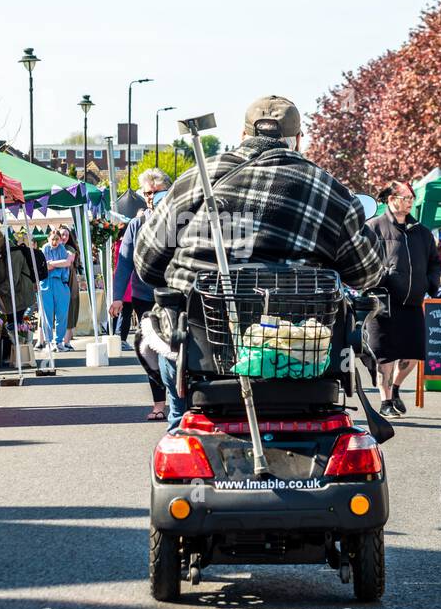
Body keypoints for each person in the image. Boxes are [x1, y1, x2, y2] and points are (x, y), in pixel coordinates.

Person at [135, 94, 383, 430]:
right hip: (304, 358)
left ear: (243, 135)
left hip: (199, 353)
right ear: (297, 140)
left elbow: (147, 264)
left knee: (182, 422)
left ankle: (182, 440)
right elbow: (366, 273)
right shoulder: (332, 193)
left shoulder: (198, 179)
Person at [366, 180, 440, 418]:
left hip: (412, 302)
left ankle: (395, 389)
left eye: (411, 198)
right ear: (390, 198)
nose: (409, 202)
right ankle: (385, 400)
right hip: (383, 302)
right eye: (404, 197)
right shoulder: (373, 228)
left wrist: (430, 284)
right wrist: (381, 278)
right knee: (384, 352)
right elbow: (363, 261)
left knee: (413, 351)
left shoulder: (422, 232)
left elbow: (434, 263)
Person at [111, 168, 173, 420]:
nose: (151, 197)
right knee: (148, 347)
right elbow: (124, 261)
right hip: (143, 296)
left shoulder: (179, 220)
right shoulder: (136, 224)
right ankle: (159, 403)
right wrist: (117, 296)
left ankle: (180, 399)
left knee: (173, 346)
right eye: (147, 193)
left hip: (173, 294)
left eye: (156, 192)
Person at [0, 228, 38, 367]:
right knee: (11, 326)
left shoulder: (14, 254)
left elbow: (12, 281)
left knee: (14, 325)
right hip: (10, 296)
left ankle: (16, 357)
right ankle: (11, 356)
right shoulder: (1, 253)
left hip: (20, 295)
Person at [39, 227, 74, 351]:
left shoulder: (63, 249)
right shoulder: (45, 248)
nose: (55, 241)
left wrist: (53, 263)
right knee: (47, 315)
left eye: (57, 239)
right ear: (48, 238)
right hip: (46, 284)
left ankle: (58, 342)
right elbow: (45, 267)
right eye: (53, 239)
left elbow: (67, 263)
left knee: (62, 314)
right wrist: (59, 263)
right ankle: (48, 342)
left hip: (61, 284)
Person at [59, 225, 81, 347]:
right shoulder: (53, 248)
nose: (64, 237)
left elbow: (68, 261)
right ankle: (57, 340)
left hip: (70, 281)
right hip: (57, 281)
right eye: (62, 234)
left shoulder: (70, 249)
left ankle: (66, 341)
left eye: (66, 235)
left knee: (70, 309)